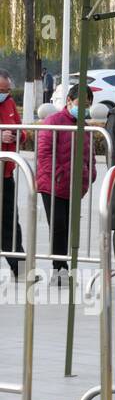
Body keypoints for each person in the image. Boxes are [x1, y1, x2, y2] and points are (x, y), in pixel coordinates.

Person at [36, 84, 96, 276]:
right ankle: (59, 269)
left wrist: (90, 173)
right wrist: (60, 174)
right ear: (69, 100)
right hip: (52, 184)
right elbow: (44, 153)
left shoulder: (84, 127)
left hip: (75, 185)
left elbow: (90, 155)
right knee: (58, 225)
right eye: (81, 103)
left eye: (88, 105)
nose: (85, 108)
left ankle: (62, 266)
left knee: (67, 227)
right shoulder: (54, 121)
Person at [0, 70, 27, 276]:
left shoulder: (9, 103)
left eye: (7, 90)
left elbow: (21, 129)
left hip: (6, 173)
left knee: (10, 220)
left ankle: (21, 266)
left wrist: (17, 134)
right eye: (1, 91)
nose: (5, 94)